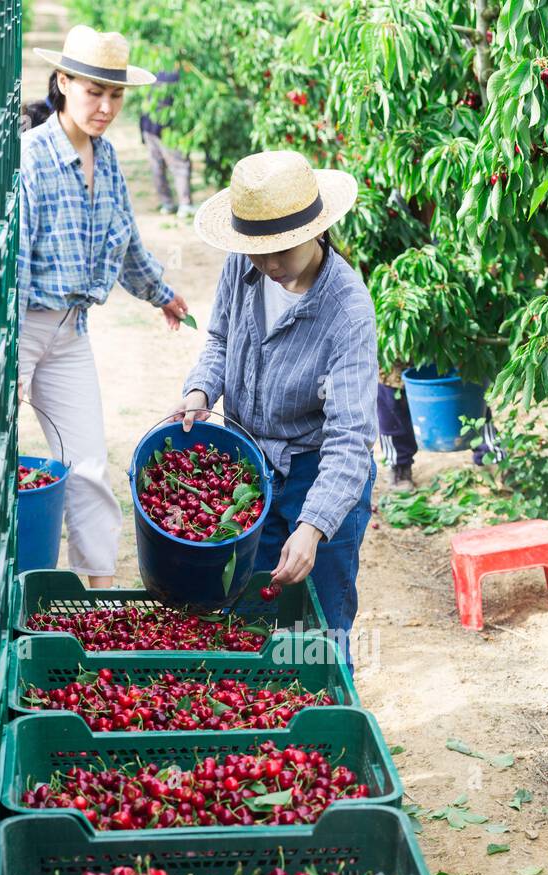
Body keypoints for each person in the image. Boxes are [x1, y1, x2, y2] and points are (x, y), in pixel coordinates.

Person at [166, 150, 378, 664]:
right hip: (252, 471)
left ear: (316, 229)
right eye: (258, 251)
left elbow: (349, 440)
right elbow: (219, 339)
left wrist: (314, 525)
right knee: (250, 620)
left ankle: (326, 731)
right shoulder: (245, 264)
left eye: (281, 249)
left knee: (320, 629)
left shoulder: (347, 311)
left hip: (316, 472)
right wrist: (200, 391)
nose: (269, 264)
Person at [19, 25, 190, 588]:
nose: (106, 106)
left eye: (115, 95)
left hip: (70, 331)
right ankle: (4, 579)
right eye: (94, 91)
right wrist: (7, 363)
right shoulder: (32, 158)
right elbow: (15, 261)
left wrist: (160, 292)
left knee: (88, 465)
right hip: (22, 326)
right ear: (63, 82)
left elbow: (126, 238)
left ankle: (94, 591)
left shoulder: (109, 156)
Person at [140, 70, 194, 217]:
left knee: (157, 167)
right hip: (169, 130)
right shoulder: (178, 77)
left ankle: (167, 203)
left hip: (149, 127)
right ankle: (185, 204)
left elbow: (145, 104)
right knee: (180, 166)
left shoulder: (155, 72)